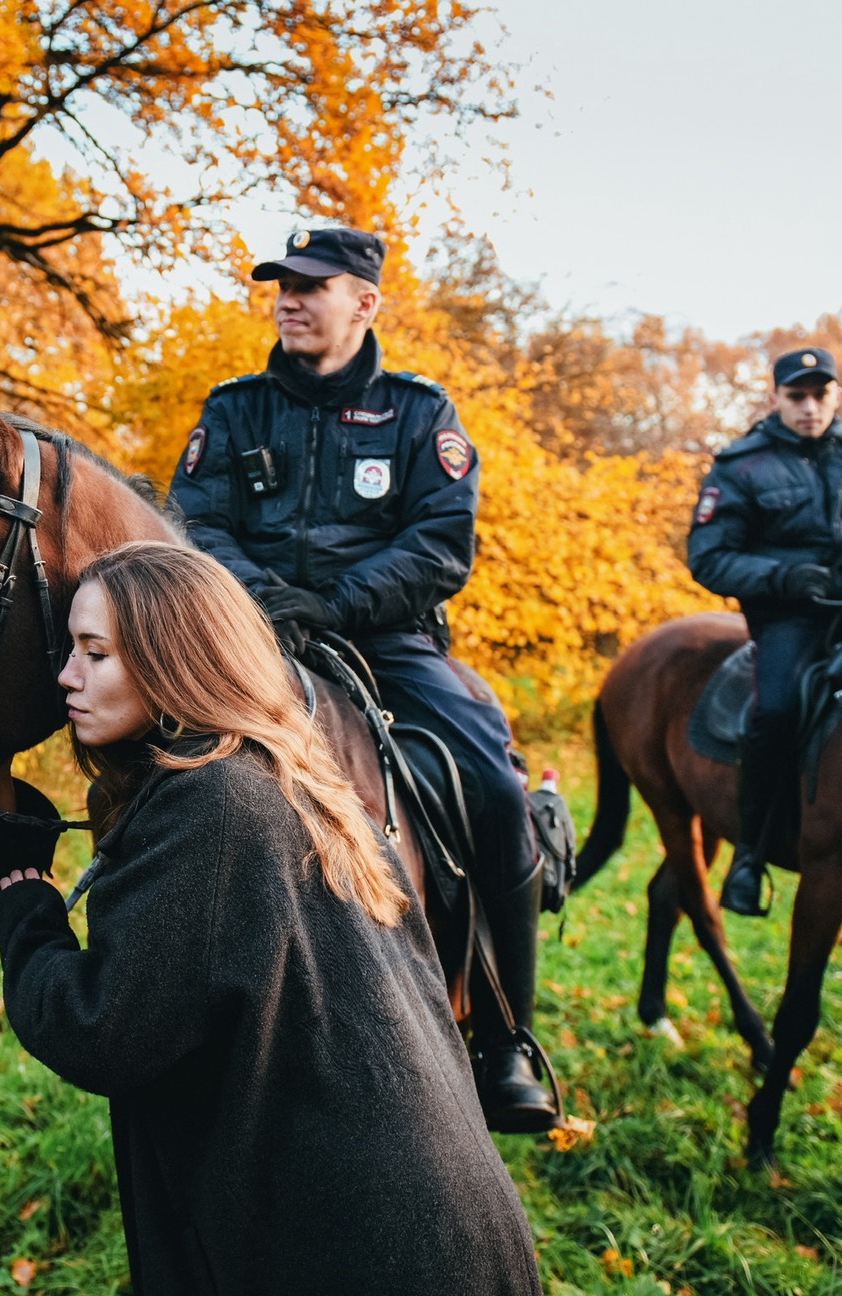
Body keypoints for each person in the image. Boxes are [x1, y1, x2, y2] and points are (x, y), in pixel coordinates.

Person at [0, 541, 543, 1296]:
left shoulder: (212, 802)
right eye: (70, 650)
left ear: (175, 658)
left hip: (358, 1253)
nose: (66, 678)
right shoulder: (292, 775)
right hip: (443, 1233)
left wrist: (26, 907)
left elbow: (101, 1030)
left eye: (96, 654)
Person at [166, 225, 556, 1131]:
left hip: (386, 639)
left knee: (495, 789)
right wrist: (264, 600)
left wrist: (337, 603)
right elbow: (196, 521)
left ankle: (507, 1037)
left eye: (312, 285)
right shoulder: (232, 411)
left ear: (365, 302)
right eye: (281, 284)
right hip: (249, 631)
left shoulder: (422, 414)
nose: (289, 299)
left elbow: (440, 544)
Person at [687, 348, 842, 915]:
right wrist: (784, 576)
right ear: (777, 398)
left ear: (837, 394)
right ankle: (751, 854)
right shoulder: (740, 465)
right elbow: (708, 559)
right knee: (778, 709)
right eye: (797, 396)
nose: (810, 407)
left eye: (820, 394)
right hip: (791, 615)